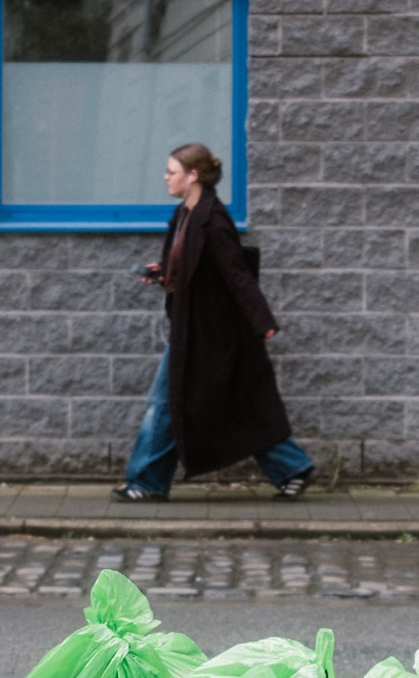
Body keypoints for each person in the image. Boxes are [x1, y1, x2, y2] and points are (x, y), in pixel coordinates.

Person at [113, 143, 316, 502]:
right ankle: (293, 468)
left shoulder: (213, 219)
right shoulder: (185, 215)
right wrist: (164, 273)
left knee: (169, 404)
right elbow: (194, 267)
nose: (165, 177)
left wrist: (262, 321)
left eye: (172, 172)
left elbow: (237, 274)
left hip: (211, 332)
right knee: (225, 405)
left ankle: (145, 483)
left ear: (192, 176)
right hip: (191, 328)